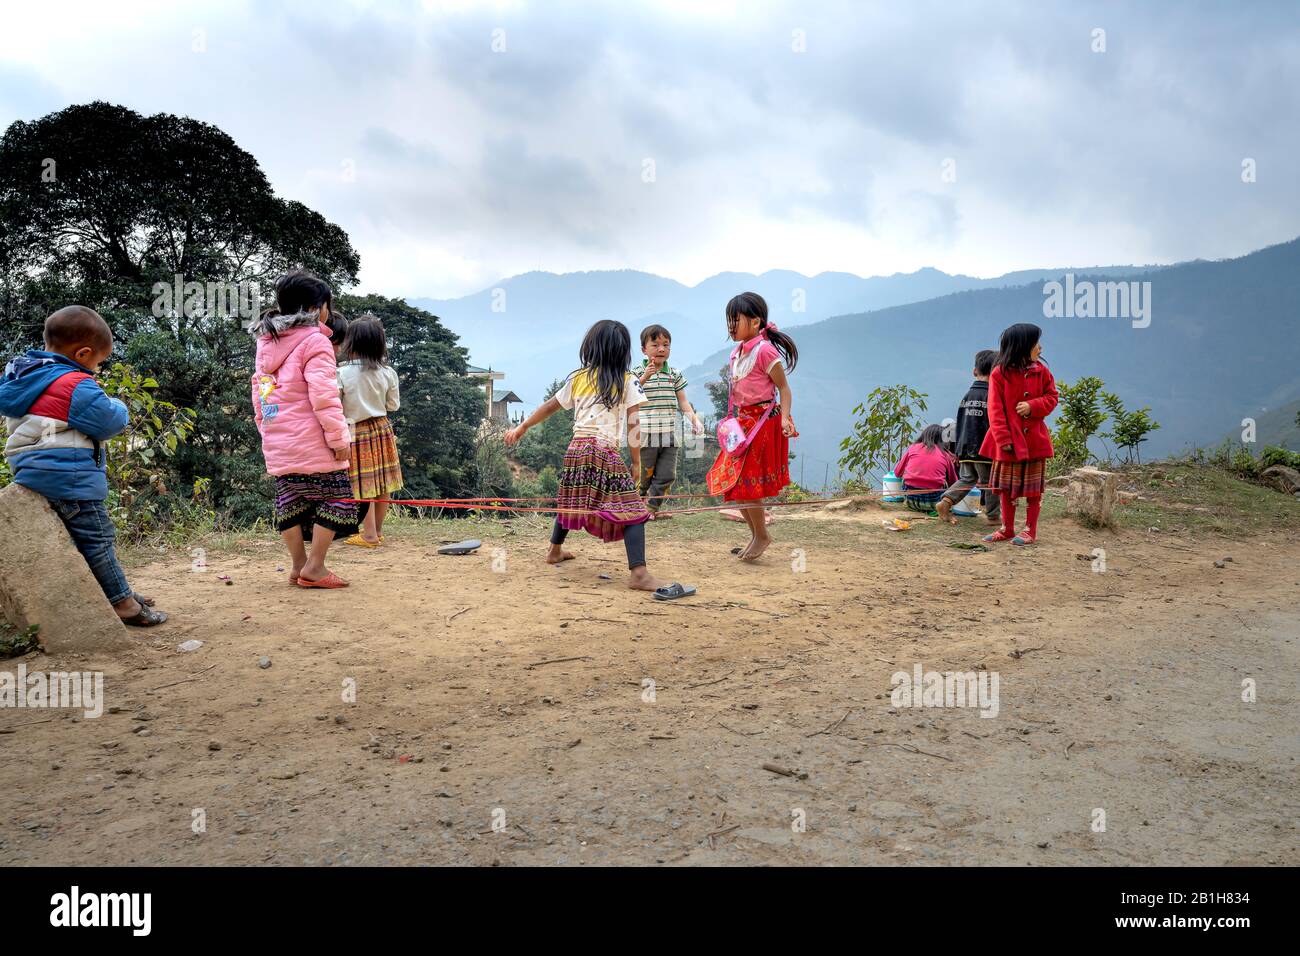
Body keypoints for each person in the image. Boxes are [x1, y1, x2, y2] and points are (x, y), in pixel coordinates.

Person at [0, 306, 167, 625]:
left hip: (32, 472)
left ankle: (117, 590)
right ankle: (123, 604)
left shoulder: (23, 376)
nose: (97, 368)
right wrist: (118, 404)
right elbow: (108, 421)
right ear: (83, 353)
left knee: (79, 540)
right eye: (99, 362)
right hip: (70, 476)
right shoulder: (73, 383)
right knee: (97, 538)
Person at [504, 320, 692, 598]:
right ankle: (639, 574)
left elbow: (549, 406)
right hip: (603, 450)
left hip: (576, 449)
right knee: (633, 512)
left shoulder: (578, 377)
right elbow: (634, 426)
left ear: (590, 347)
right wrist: (637, 463)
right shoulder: (628, 381)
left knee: (572, 500)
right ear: (623, 351)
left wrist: (522, 427)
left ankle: (554, 551)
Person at [251, 269, 358, 587]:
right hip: (314, 440)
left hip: (279, 438)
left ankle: (299, 565)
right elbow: (324, 396)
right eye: (326, 305)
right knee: (339, 497)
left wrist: (266, 431)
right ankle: (315, 567)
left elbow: (261, 392)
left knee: (290, 500)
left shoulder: (266, 343)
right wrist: (339, 437)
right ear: (315, 309)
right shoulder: (316, 341)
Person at [705, 292, 798, 561]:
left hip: (762, 424)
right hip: (742, 425)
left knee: (747, 483)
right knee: (734, 484)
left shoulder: (765, 351)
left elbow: (784, 389)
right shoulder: (737, 353)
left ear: (756, 322)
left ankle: (761, 535)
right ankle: (757, 534)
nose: (731, 326)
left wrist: (784, 418)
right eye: (729, 321)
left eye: (737, 320)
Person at [981, 323, 1058, 545]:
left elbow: (1052, 397)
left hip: (1034, 440)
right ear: (1023, 347)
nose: (1040, 348)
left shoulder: (1042, 372)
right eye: (1036, 344)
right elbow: (995, 409)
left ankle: (1029, 531)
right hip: (1008, 442)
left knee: (1033, 490)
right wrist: (1003, 439)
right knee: (1006, 489)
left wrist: (1033, 406)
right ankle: (1007, 528)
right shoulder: (999, 374)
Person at [337, 314, 402, 547]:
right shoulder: (387, 373)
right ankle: (378, 531)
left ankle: (369, 534)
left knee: (364, 482)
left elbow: (336, 405)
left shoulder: (342, 373)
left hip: (355, 430)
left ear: (350, 343)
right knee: (383, 482)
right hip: (382, 429)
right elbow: (393, 406)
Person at [634, 323, 704, 516]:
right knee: (644, 475)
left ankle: (652, 508)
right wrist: (644, 379)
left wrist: (694, 420)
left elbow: (683, 402)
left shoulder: (674, 374)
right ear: (644, 349)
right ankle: (637, 508)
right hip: (645, 434)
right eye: (655, 345)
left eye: (666, 344)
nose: (661, 349)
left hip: (670, 434)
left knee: (667, 474)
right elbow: (629, 398)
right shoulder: (636, 373)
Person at [937, 349, 1001, 525]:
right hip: (984, 447)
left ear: (975, 371)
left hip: (964, 446)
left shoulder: (967, 396)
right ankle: (994, 516)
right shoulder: (992, 395)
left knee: (967, 478)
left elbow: (960, 421)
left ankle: (946, 502)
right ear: (997, 371)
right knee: (990, 482)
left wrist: (958, 448)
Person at [894, 424, 958, 513]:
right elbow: (954, 483)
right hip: (934, 503)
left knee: (906, 477)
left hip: (911, 501)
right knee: (944, 482)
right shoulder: (945, 455)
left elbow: (897, 473)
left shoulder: (913, 448)